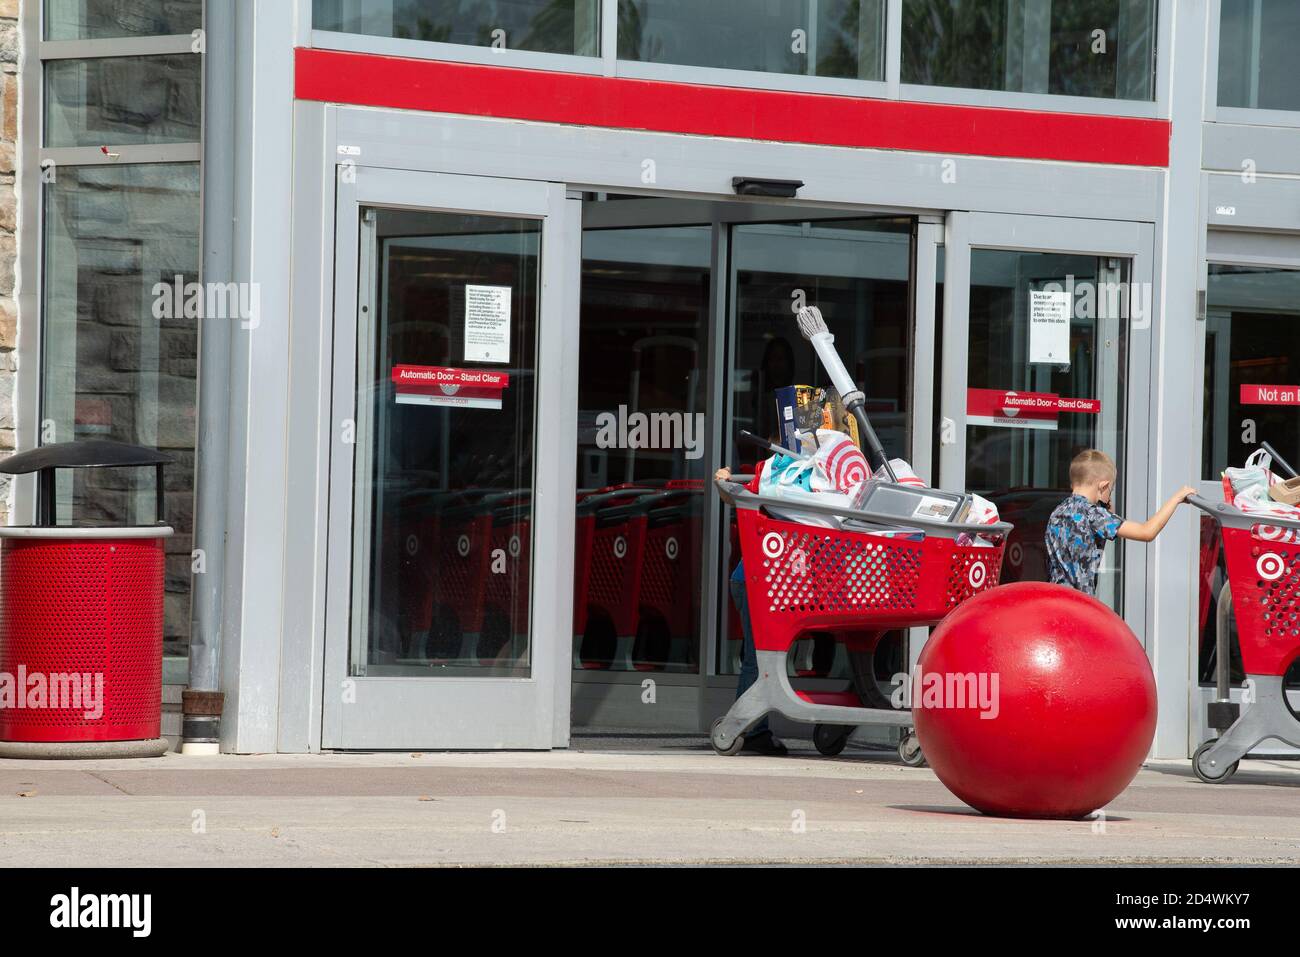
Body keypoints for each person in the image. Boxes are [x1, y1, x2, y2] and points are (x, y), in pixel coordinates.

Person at [1045, 449, 1195, 596]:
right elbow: (1146, 532)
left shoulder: (1057, 512)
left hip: (1056, 599)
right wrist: (1176, 499)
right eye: (1111, 489)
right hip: (1080, 605)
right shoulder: (1093, 514)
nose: (1110, 495)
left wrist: (1106, 508)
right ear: (1103, 486)